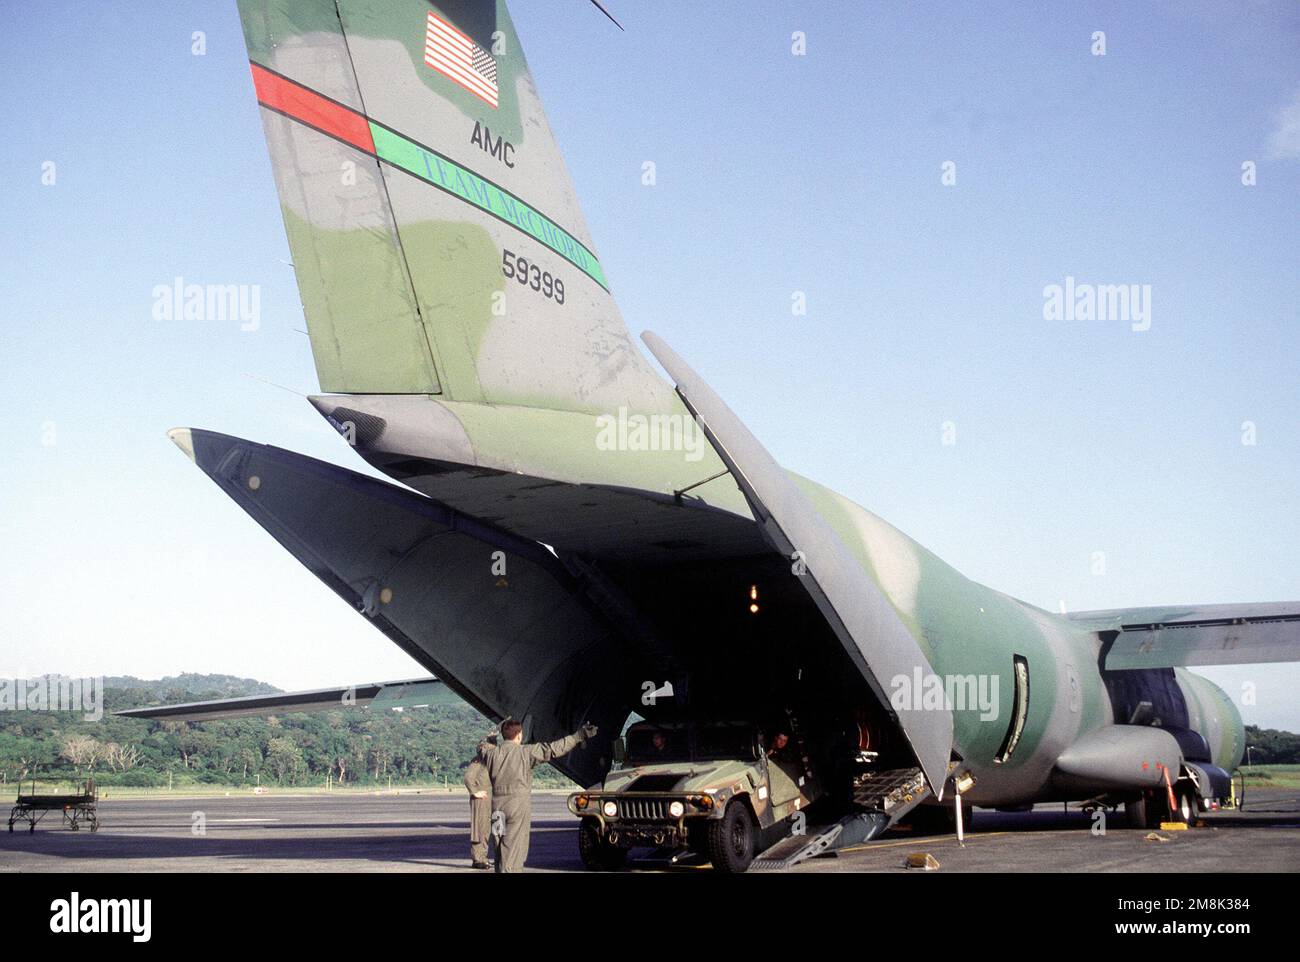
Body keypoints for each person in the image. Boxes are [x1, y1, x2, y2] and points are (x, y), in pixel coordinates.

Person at [479, 717, 597, 873]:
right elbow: (554, 748)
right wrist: (579, 736)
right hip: (516, 807)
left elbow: (481, 746)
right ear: (519, 734)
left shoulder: (491, 754)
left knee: (499, 850)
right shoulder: (526, 752)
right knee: (512, 853)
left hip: (496, 809)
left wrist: (491, 736)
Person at [464, 736, 495, 869]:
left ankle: (483, 857)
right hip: (481, 800)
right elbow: (468, 777)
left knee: (487, 829)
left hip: (488, 798)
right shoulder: (479, 760)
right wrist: (475, 791)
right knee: (480, 830)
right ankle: (478, 859)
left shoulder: (488, 760)